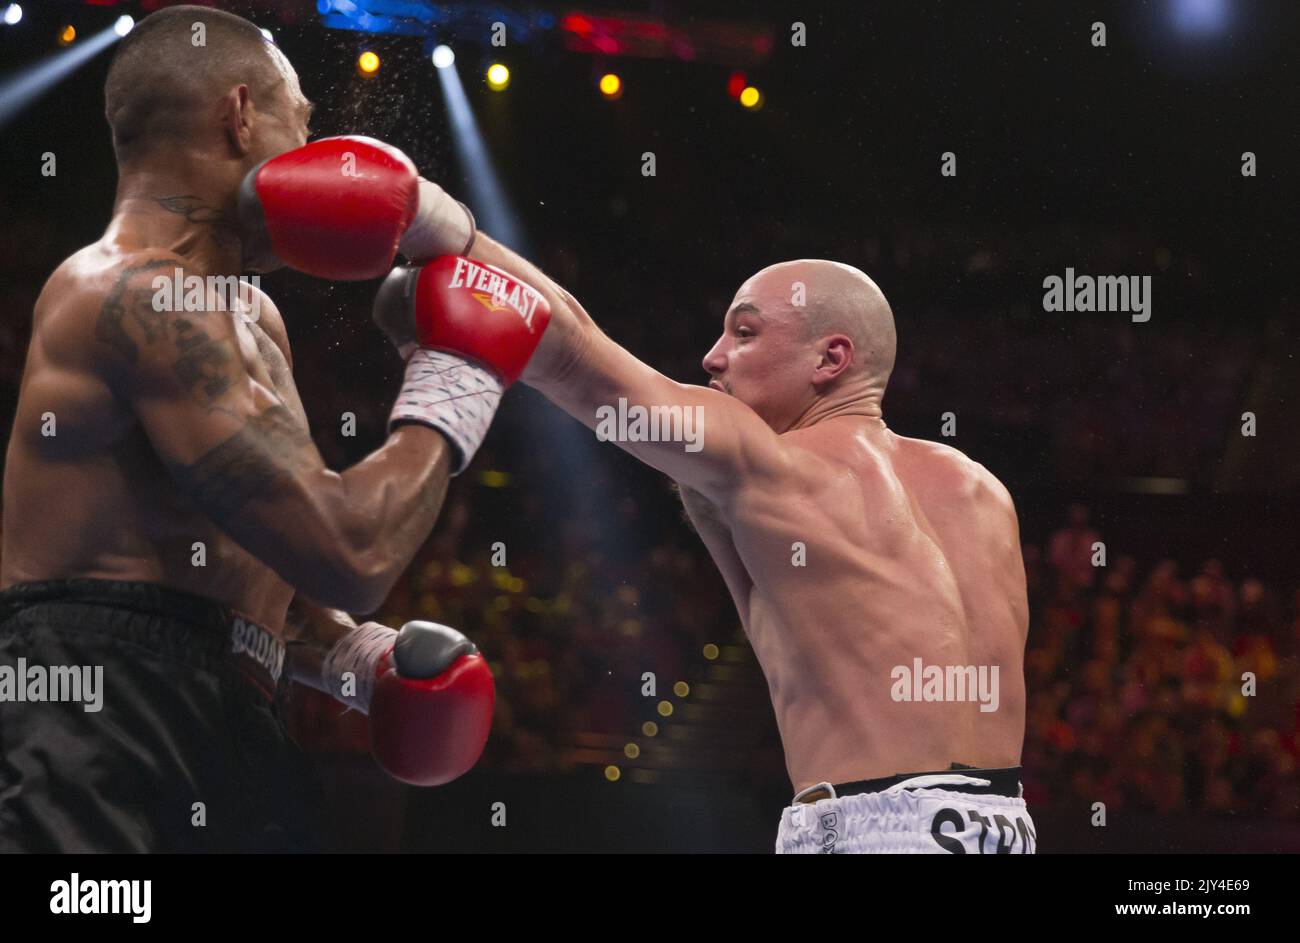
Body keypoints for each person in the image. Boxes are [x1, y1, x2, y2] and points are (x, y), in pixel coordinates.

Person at [0, 6, 545, 851]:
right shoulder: (134, 293)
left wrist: (351, 657)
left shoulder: (252, 316)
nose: (312, 143)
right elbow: (349, 550)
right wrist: (458, 377)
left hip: (229, 712)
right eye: (302, 118)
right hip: (94, 719)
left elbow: (243, 570)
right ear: (239, 113)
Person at [380, 215, 1036, 853]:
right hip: (1006, 826)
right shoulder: (982, 491)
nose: (712, 355)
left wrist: (448, 229)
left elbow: (583, 360)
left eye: (744, 332)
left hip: (870, 828)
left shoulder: (773, 463)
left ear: (830, 358)